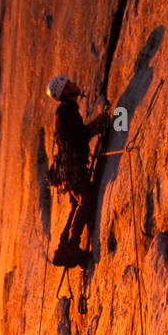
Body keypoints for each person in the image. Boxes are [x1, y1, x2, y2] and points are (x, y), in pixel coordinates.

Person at [46, 75, 109, 267]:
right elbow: (78, 137)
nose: (74, 84)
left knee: (76, 204)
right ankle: (72, 245)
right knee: (86, 200)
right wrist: (96, 126)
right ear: (65, 91)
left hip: (68, 169)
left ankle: (62, 248)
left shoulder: (64, 112)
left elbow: (74, 136)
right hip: (74, 168)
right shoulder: (67, 112)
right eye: (69, 84)